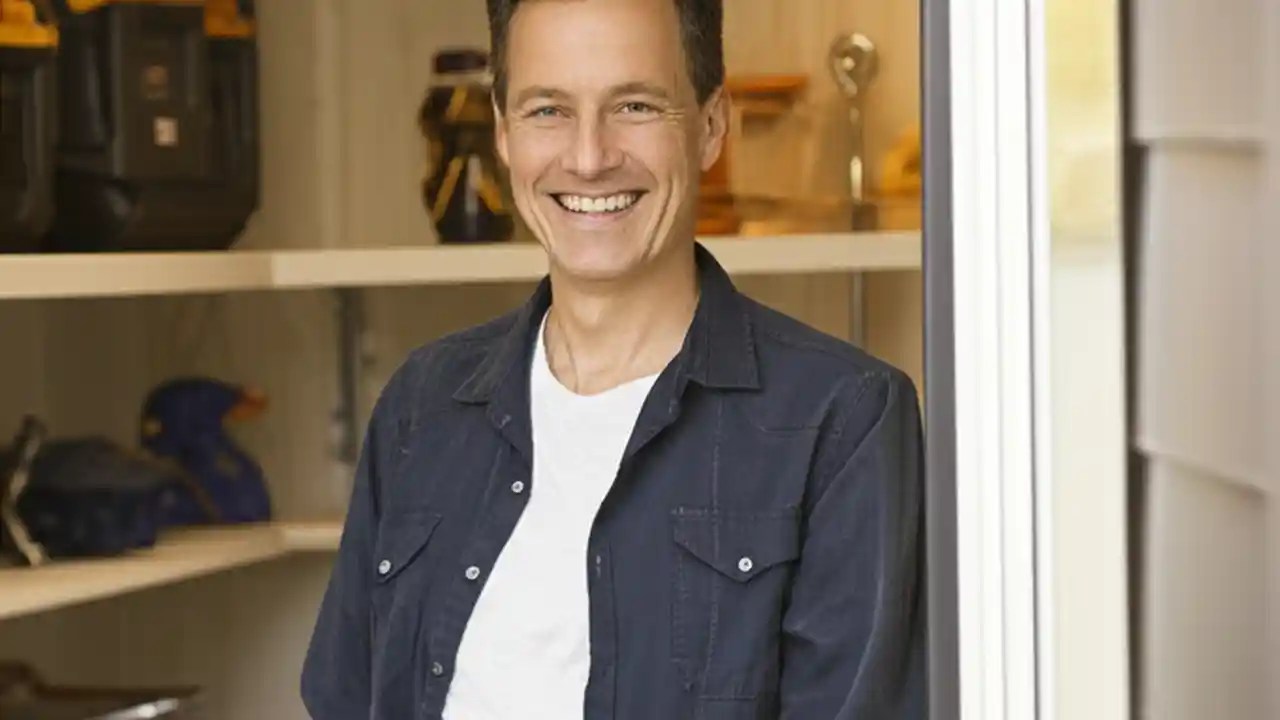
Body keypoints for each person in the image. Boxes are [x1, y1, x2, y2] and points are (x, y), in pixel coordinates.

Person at [300, 0, 926, 717]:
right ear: (503, 133)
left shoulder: (842, 420)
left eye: (634, 106)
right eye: (548, 111)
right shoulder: (422, 404)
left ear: (712, 125)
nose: (590, 158)